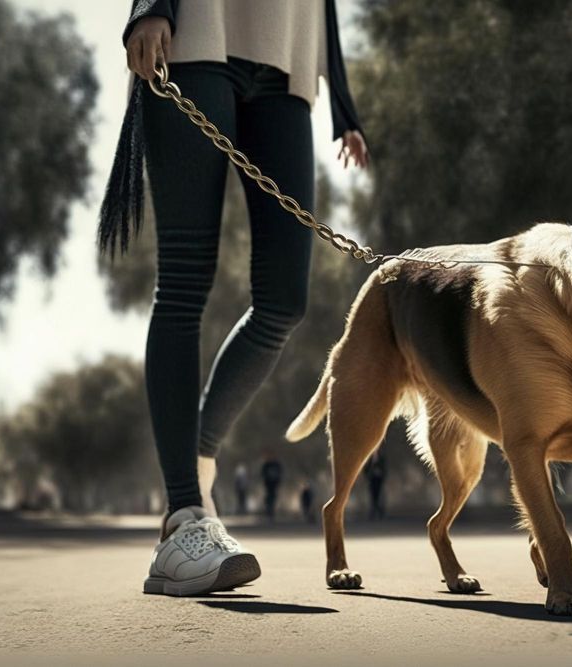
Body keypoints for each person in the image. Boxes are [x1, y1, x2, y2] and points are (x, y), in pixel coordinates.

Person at [101, 0, 369, 596]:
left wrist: (344, 106)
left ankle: (198, 456)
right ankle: (182, 517)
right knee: (185, 282)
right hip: (197, 36)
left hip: (287, 60)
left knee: (284, 301)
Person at [364, 449, 386, 520]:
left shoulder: (381, 458)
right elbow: (366, 469)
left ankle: (378, 513)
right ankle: (375, 512)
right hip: (372, 480)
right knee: (373, 496)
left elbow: (384, 468)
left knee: (378, 496)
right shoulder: (369, 459)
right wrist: (368, 475)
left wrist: (380, 473)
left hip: (379, 480)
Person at [261, 454, 283, 521]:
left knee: (273, 497)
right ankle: (268, 511)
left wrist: (278, 481)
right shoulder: (267, 465)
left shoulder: (276, 465)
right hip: (268, 484)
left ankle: (271, 511)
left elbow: (280, 473)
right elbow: (263, 473)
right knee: (269, 497)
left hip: (274, 484)